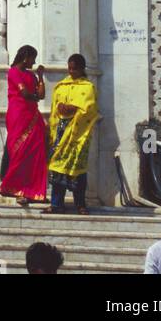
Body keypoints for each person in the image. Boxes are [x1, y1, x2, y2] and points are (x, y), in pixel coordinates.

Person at [45, 53, 99, 215]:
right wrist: (61, 108)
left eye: (75, 68)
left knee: (77, 170)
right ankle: (56, 204)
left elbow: (90, 109)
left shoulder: (88, 87)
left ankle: (80, 205)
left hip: (78, 136)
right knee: (57, 168)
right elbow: (55, 108)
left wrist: (73, 109)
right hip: (61, 134)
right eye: (69, 68)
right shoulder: (61, 86)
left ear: (82, 69)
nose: (71, 71)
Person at [0, 45, 48, 207]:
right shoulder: (13, 72)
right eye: (33, 58)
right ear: (26, 57)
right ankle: (16, 188)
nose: (34, 62)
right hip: (18, 116)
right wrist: (35, 97)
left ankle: (33, 191)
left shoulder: (31, 76)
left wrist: (40, 77)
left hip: (32, 116)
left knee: (35, 152)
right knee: (20, 152)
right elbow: (25, 94)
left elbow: (40, 95)